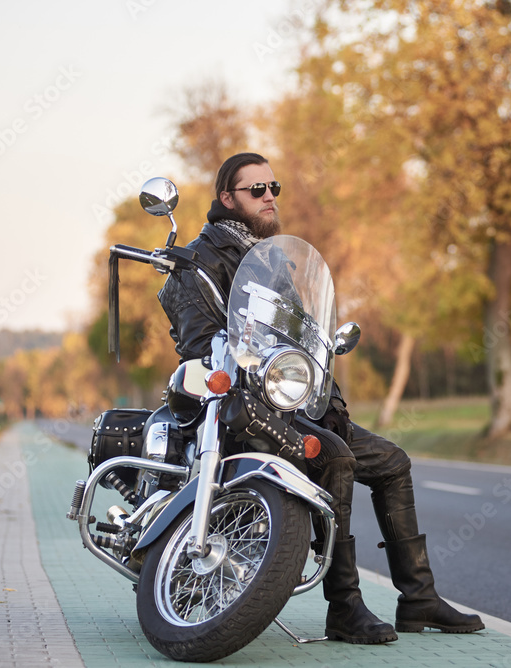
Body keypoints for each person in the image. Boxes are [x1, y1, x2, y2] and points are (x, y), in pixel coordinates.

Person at [157, 152, 484, 644]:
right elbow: (200, 347)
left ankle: (418, 598)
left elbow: (303, 341)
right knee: (336, 458)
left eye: (275, 188)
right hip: (246, 413)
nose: (270, 197)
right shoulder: (197, 264)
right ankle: (345, 605)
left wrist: (323, 391)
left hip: (298, 408)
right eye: (257, 190)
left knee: (393, 462)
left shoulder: (269, 259)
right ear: (227, 199)